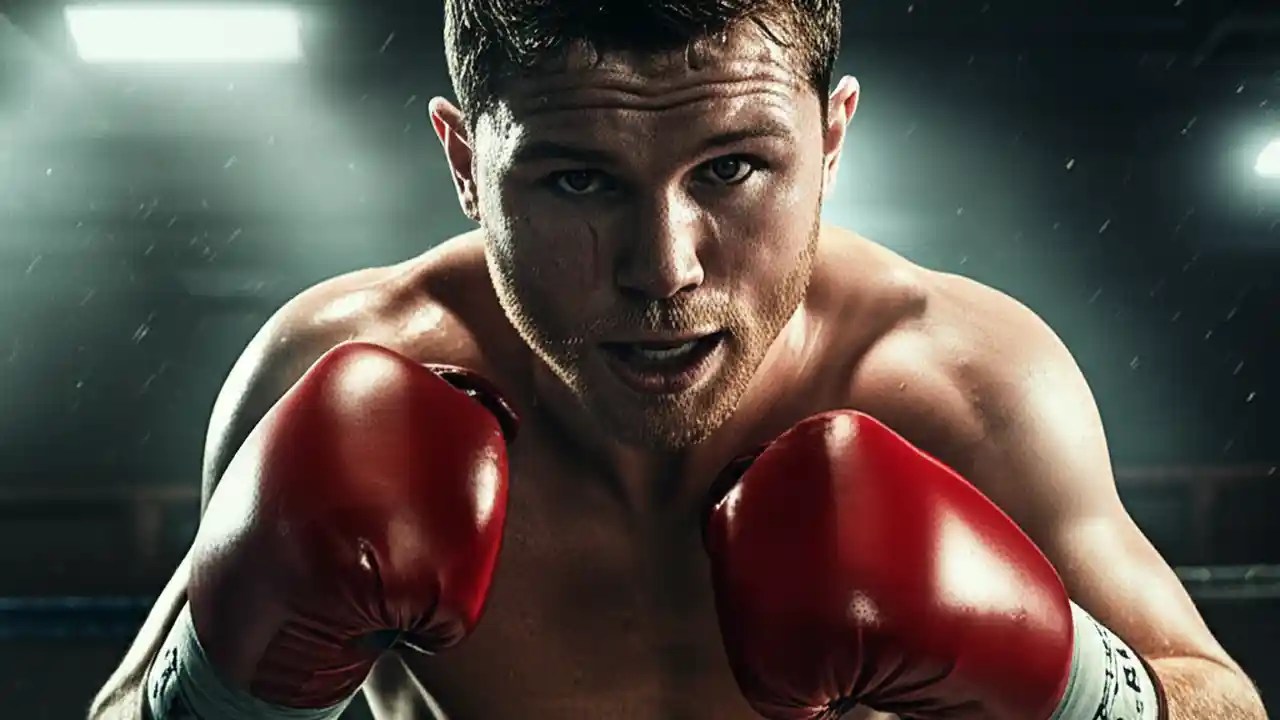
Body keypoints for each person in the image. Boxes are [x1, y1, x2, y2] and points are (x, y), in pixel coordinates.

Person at [90, 2, 1266, 719]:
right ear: (462, 162)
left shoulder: (963, 387)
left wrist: (1057, 684)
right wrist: (241, 689)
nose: (663, 270)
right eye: (577, 179)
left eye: (731, 169)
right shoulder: (339, 365)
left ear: (831, 139)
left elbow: (1218, 700)